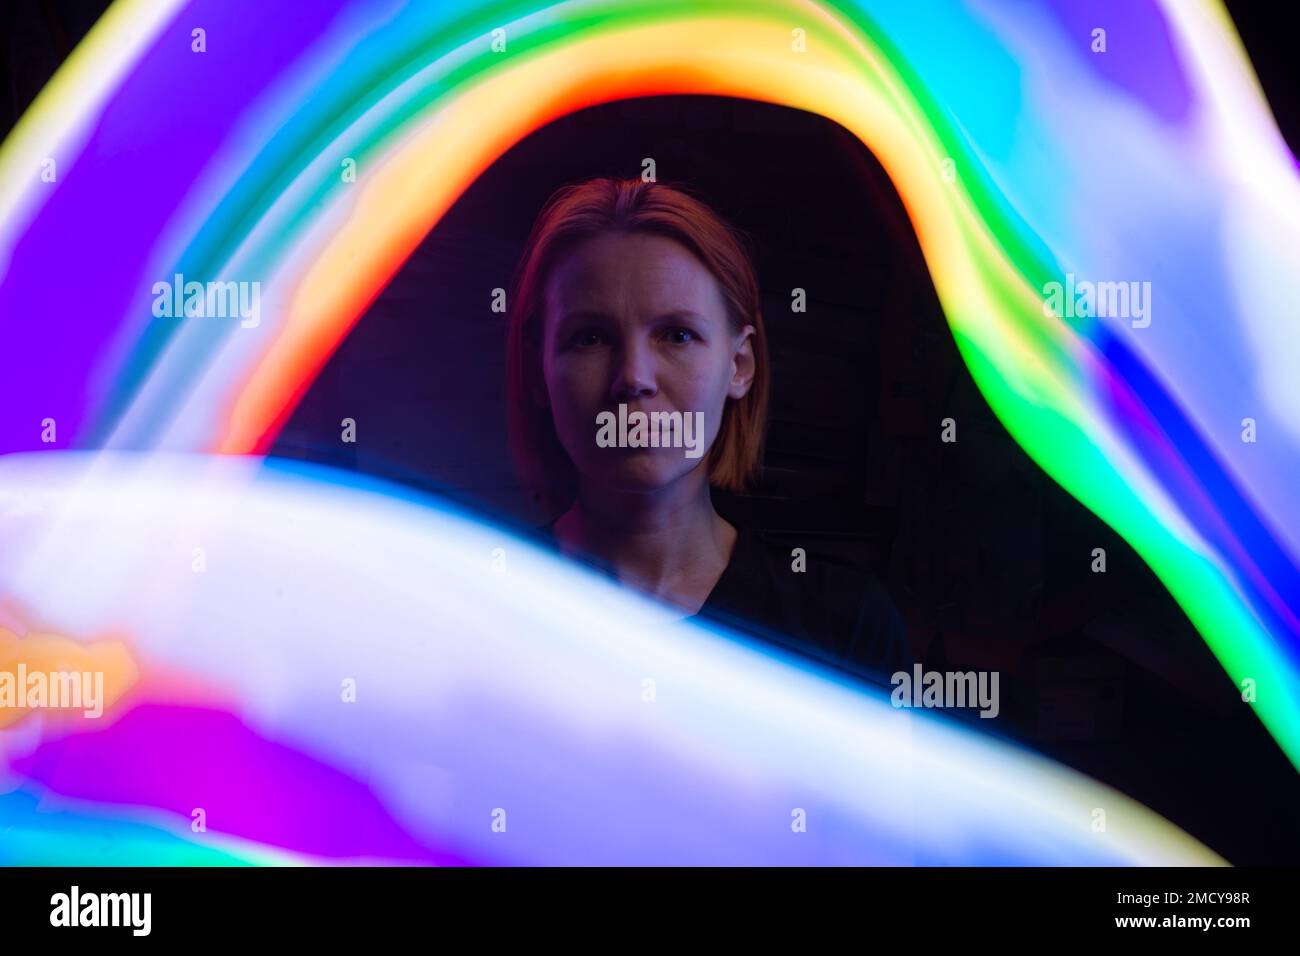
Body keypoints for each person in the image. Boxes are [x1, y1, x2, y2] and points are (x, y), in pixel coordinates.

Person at [505, 176, 909, 684]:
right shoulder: (472, 611)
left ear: (739, 365)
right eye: (590, 337)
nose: (633, 378)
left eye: (677, 335)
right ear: (538, 368)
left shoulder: (845, 629)